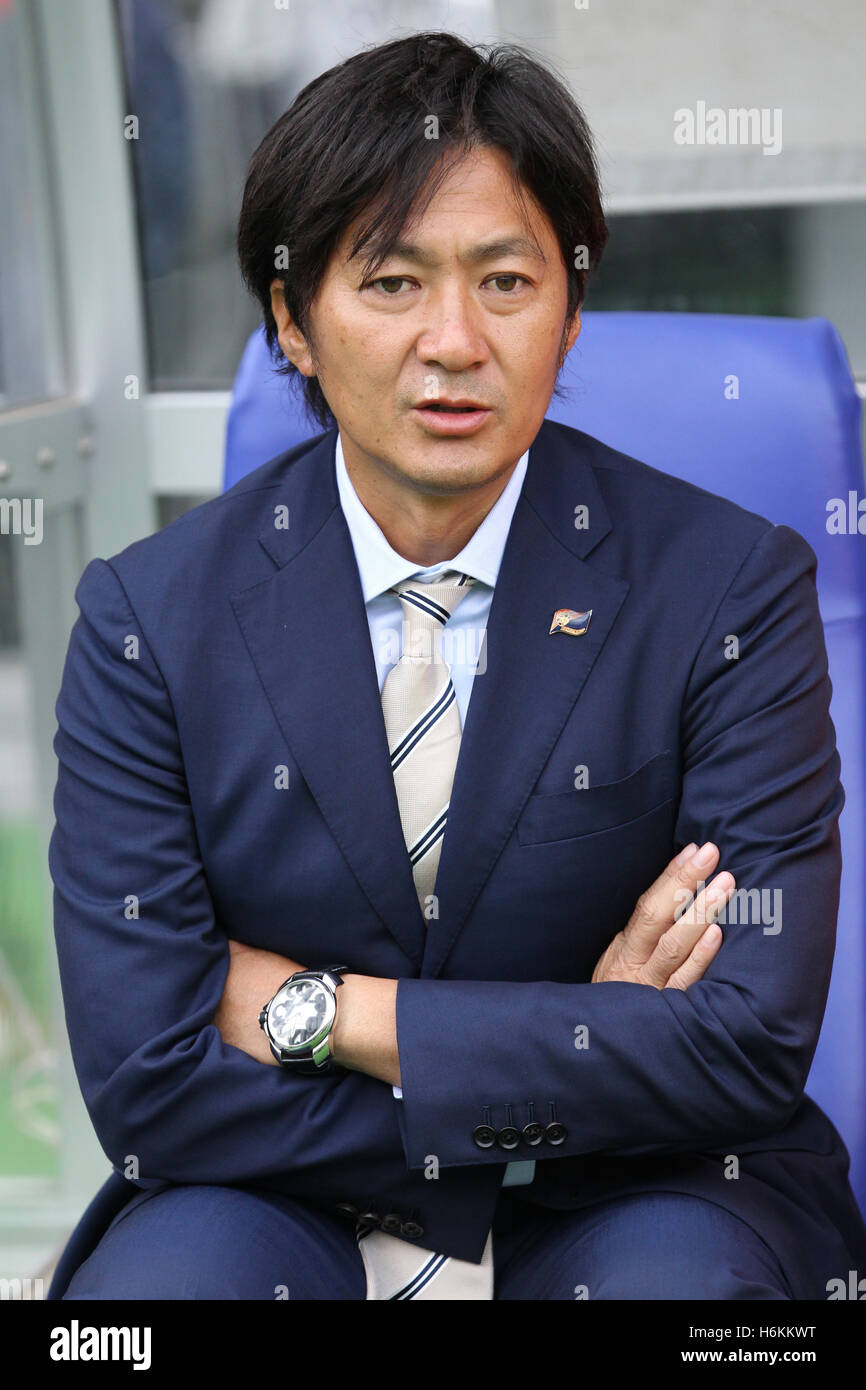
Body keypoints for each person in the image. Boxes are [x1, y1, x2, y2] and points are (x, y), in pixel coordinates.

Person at [48, 31, 866, 1300]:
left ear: (569, 310)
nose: (453, 340)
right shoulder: (148, 620)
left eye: (504, 281)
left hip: (652, 1187)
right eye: (388, 282)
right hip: (267, 1188)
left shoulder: (727, 588)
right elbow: (151, 1082)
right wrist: (574, 1040)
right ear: (291, 320)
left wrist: (324, 1013)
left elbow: (739, 1049)